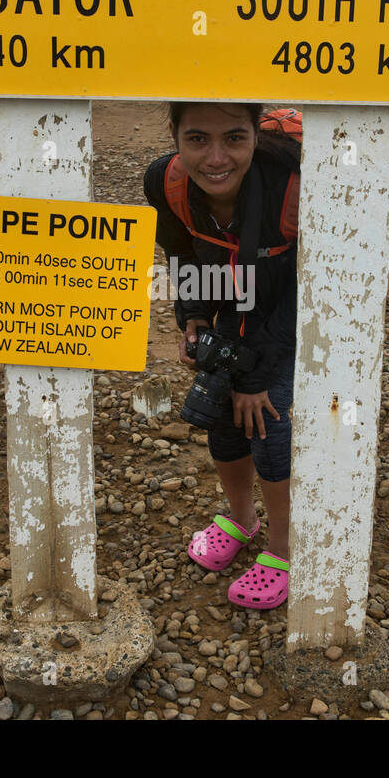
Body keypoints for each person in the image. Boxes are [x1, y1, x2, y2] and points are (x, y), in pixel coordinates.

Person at [142, 102, 299, 609]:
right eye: (197, 140)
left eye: (234, 138)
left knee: (265, 419)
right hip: (232, 302)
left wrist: (256, 372)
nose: (215, 158)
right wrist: (193, 316)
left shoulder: (293, 184)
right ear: (175, 136)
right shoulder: (165, 182)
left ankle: (284, 547)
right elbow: (183, 252)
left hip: (292, 306)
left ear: (256, 133)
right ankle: (241, 518)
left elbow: (314, 288)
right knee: (220, 416)